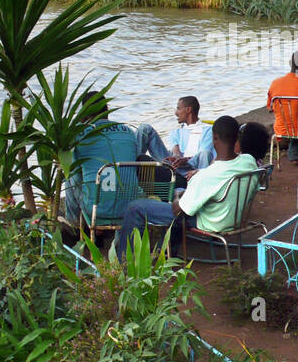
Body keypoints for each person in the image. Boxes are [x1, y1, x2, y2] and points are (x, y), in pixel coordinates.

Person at [112, 116, 260, 261]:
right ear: (237, 139)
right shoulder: (249, 161)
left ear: (214, 138)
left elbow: (179, 211)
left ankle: (124, 263)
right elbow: (223, 166)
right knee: (181, 198)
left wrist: (178, 194)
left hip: (209, 222)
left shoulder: (205, 177)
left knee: (136, 207)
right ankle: (164, 251)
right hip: (235, 218)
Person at [63, 92, 140, 225]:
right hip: (130, 206)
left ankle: (72, 223)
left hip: (96, 209)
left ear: (83, 113)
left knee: (68, 173)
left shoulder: (79, 135)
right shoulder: (129, 131)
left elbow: (74, 172)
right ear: (107, 110)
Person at [133, 95, 214, 181]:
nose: (176, 113)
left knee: (205, 153)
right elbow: (176, 151)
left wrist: (186, 160)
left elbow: (204, 155)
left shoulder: (208, 130)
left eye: (178, 108)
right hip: (175, 168)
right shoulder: (176, 132)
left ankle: (198, 182)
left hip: (195, 169)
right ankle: (130, 171)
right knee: (145, 128)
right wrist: (176, 157)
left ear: (188, 110)